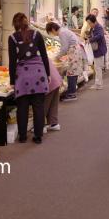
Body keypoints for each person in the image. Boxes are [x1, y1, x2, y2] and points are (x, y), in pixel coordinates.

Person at [8, 13, 51, 144]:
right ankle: (38, 136)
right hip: (38, 73)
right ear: (27, 23)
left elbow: (12, 61)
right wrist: (47, 74)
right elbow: (44, 56)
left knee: (22, 106)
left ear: (15, 25)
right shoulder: (36, 34)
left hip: (22, 75)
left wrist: (11, 81)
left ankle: (22, 136)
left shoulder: (12, 38)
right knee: (38, 106)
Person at [46, 22, 85, 102]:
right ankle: (72, 92)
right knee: (73, 72)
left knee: (71, 73)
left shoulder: (61, 33)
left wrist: (57, 57)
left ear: (53, 29)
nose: (52, 35)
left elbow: (64, 48)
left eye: (51, 32)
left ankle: (71, 94)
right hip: (75, 51)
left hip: (74, 52)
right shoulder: (64, 30)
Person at [86, 14, 107, 90]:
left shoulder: (98, 27)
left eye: (89, 23)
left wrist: (90, 39)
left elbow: (100, 36)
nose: (89, 24)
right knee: (97, 67)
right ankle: (97, 83)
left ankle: (98, 84)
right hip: (96, 50)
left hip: (99, 50)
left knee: (98, 68)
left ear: (94, 21)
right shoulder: (94, 27)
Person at [44, 59, 63, 133]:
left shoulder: (34, 57)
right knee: (53, 104)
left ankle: (41, 126)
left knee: (43, 105)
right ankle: (54, 124)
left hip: (49, 83)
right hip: (56, 80)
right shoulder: (42, 55)